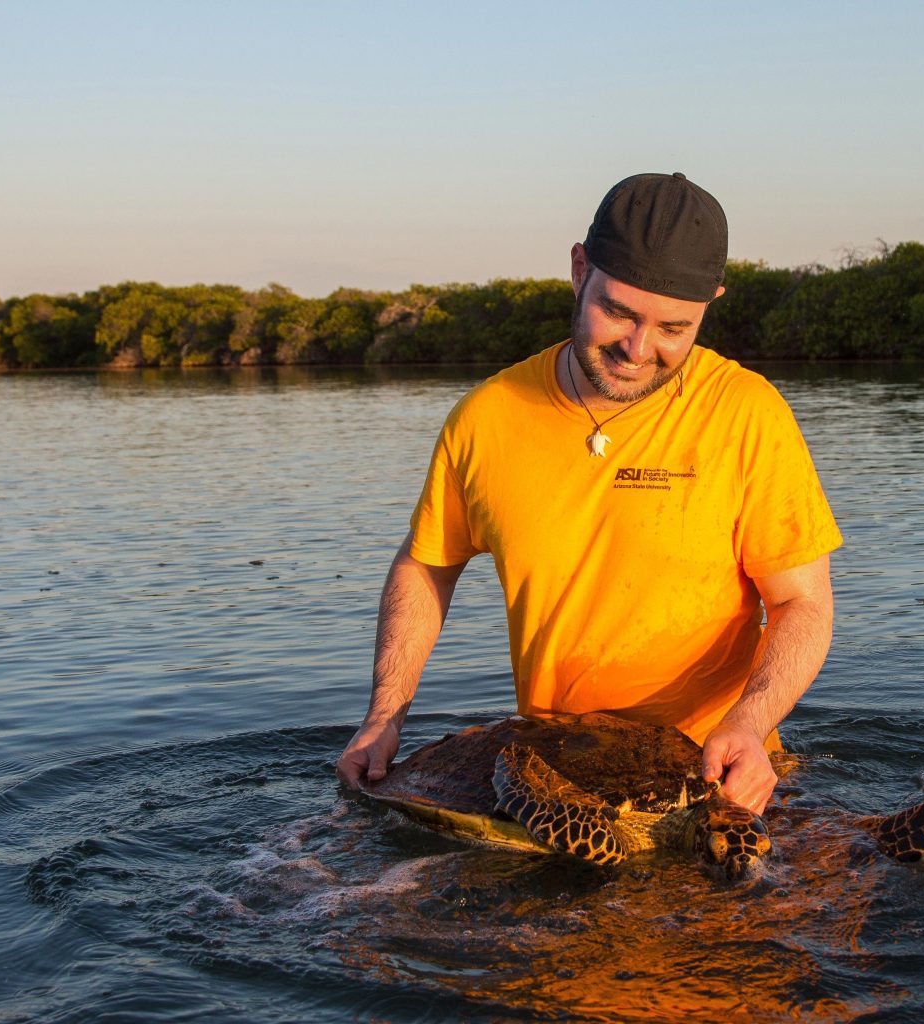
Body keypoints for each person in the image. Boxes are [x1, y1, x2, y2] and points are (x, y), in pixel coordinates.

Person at [335, 172, 842, 814]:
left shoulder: (748, 416)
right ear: (580, 269)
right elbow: (426, 564)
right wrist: (384, 716)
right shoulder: (487, 417)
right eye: (619, 312)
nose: (638, 349)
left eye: (673, 329)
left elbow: (802, 604)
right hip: (552, 785)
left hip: (717, 780)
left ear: (711, 303)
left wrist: (750, 721)